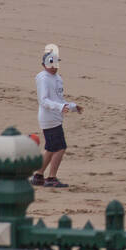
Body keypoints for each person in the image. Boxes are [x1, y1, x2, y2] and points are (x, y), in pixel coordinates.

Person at [31, 49, 81, 188]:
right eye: (50, 64)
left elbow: (58, 98)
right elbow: (44, 100)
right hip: (49, 119)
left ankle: (38, 176)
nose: (53, 67)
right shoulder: (44, 78)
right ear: (43, 65)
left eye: (55, 63)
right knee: (60, 148)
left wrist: (72, 106)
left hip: (56, 117)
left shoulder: (58, 78)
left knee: (51, 148)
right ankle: (51, 178)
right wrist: (59, 108)